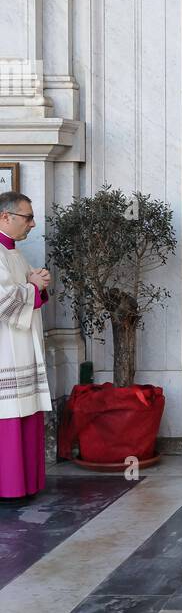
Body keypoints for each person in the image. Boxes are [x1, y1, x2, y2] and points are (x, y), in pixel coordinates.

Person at [0, 191, 53, 499]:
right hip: (5, 349)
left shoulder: (14, 253)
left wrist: (37, 282)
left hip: (20, 345)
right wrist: (33, 286)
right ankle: (9, 486)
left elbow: (23, 293)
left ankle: (26, 483)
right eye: (27, 217)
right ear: (5, 217)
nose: (32, 224)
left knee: (25, 410)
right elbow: (4, 301)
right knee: (8, 414)